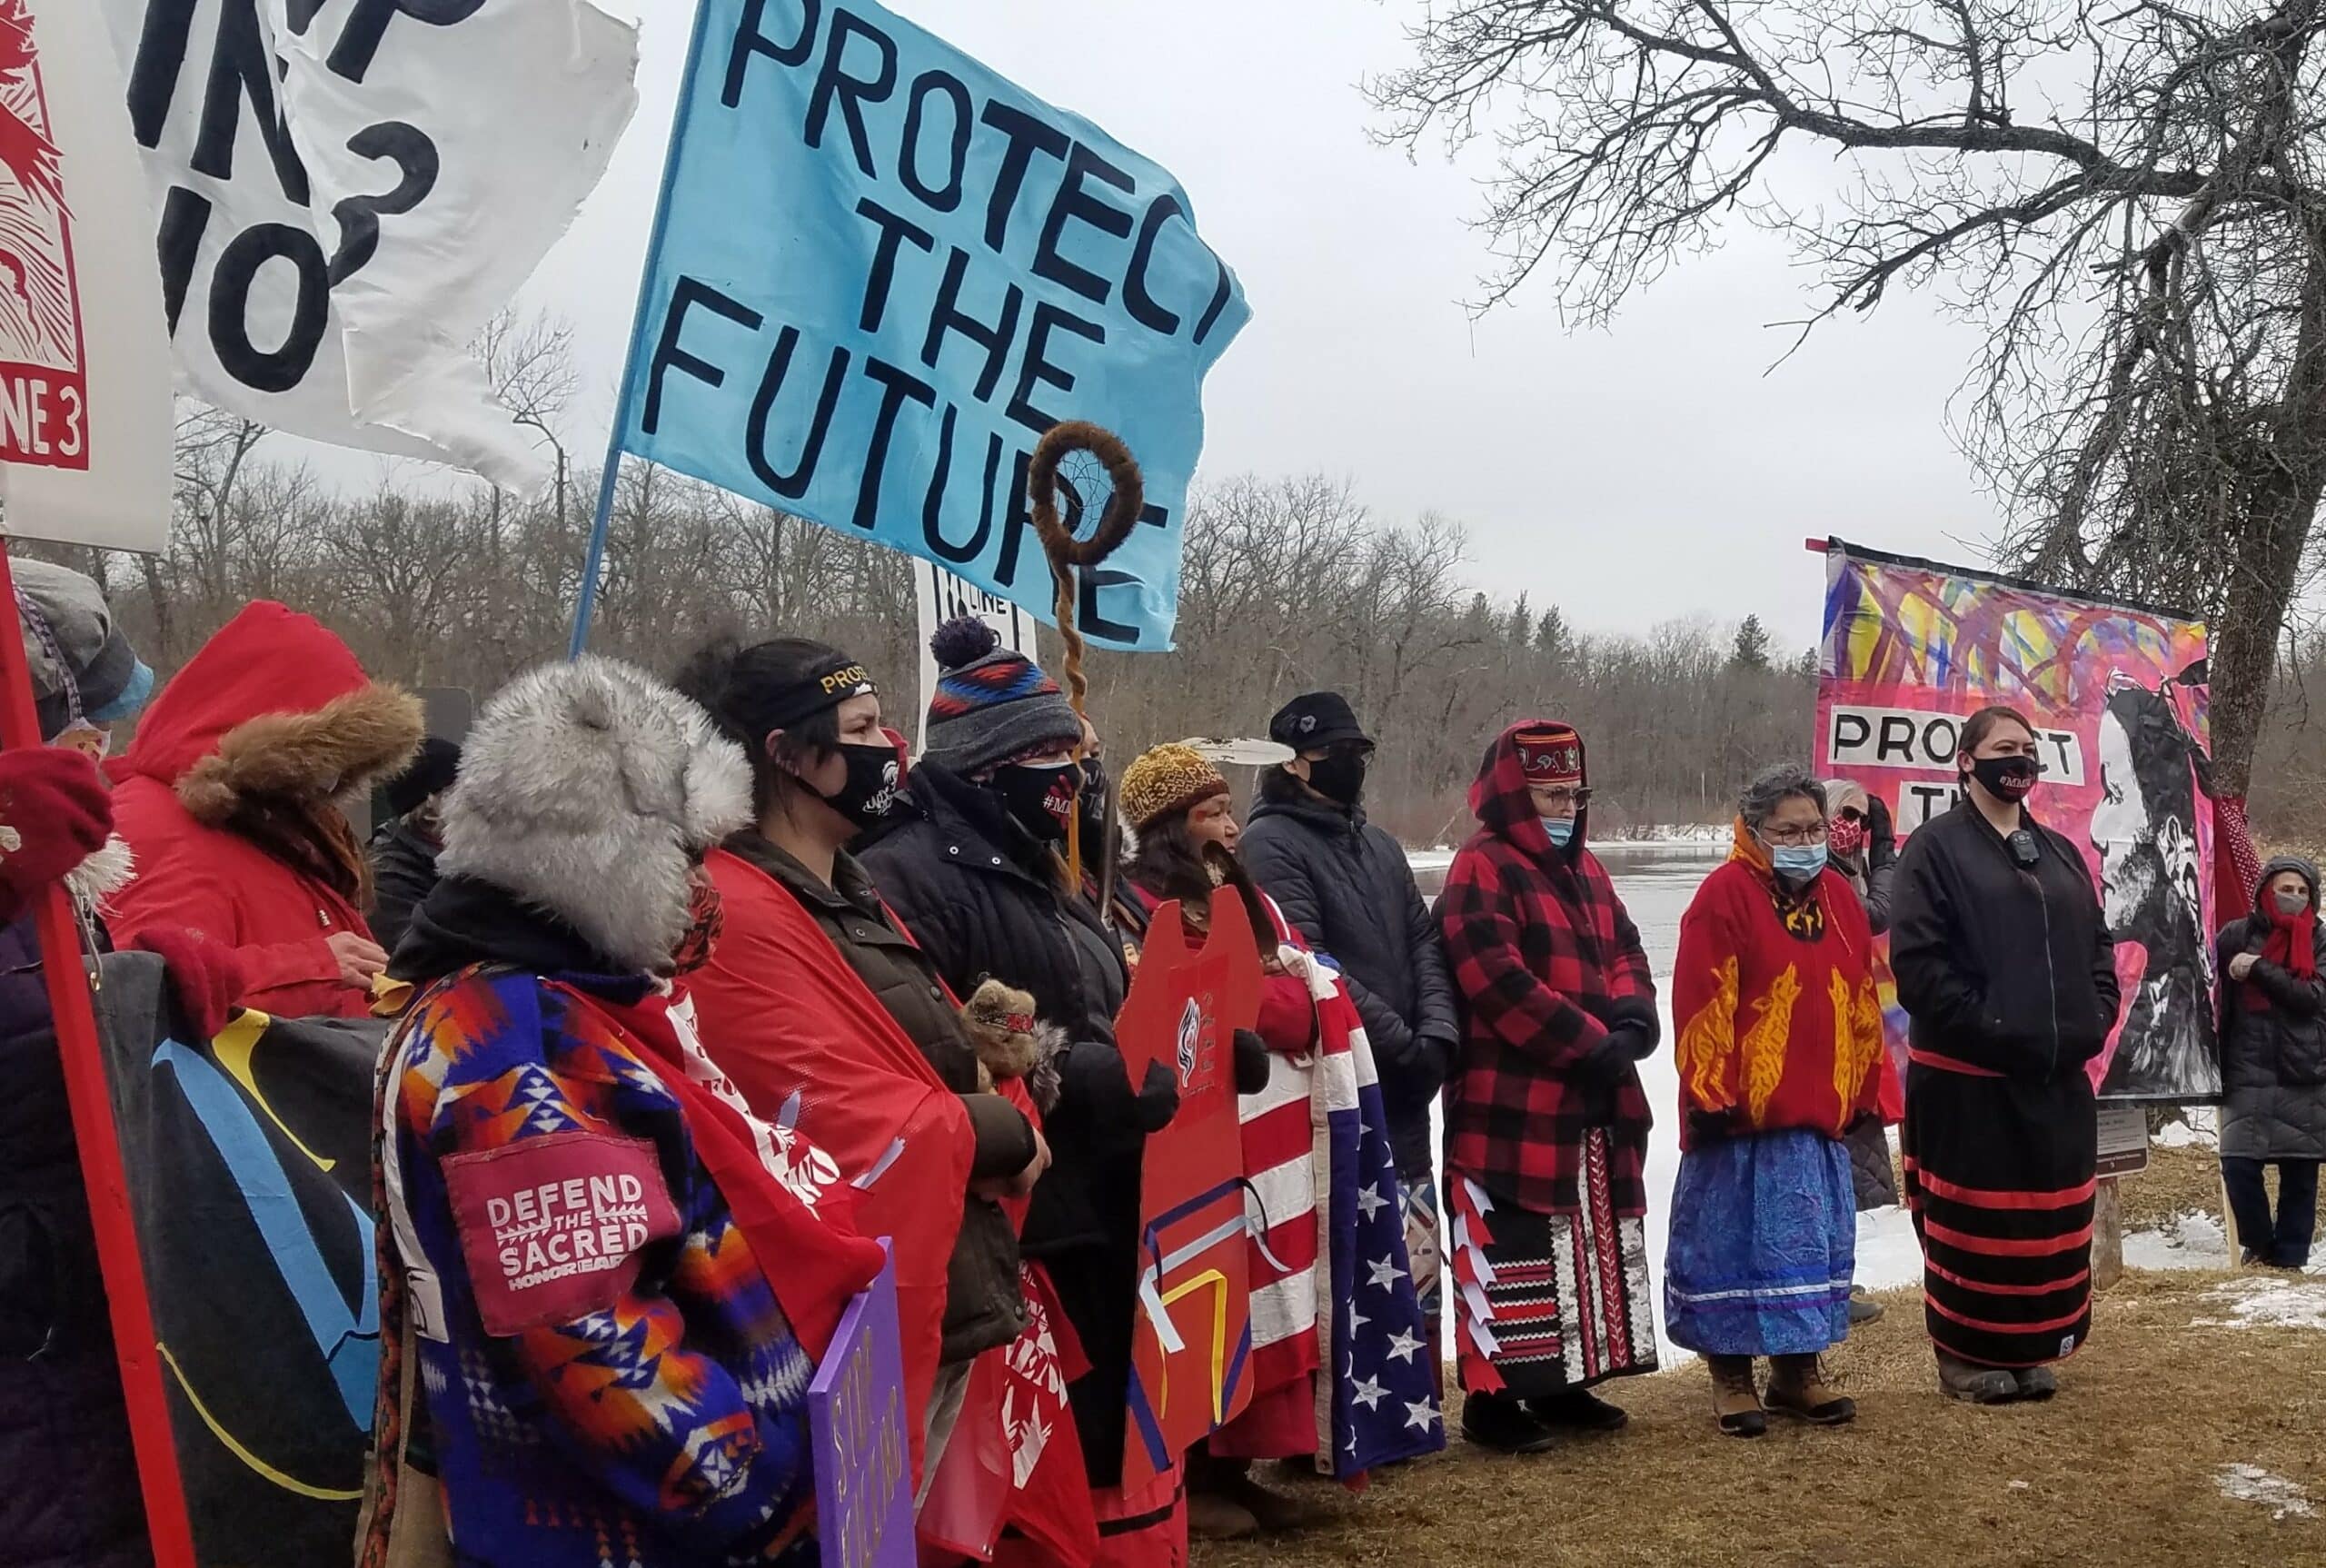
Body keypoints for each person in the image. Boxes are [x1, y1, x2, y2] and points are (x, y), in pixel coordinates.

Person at [370, 656, 883, 1568]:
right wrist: (757, 1488)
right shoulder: (511, 1041)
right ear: (604, 858)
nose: (705, 886)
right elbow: (589, 1338)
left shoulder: (561, 1001)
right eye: (688, 855)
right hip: (634, 1538)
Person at [674, 636, 1048, 1492]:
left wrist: (1001, 1066)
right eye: (864, 727)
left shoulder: (846, 884)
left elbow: (909, 1050)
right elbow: (810, 1107)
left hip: (946, 1276)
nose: (892, 749)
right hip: (840, 1317)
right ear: (788, 756)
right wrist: (1001, 1131)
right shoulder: (731, 909)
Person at [858, 619, 1184, 1567]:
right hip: (1027, 1208)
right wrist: (1078, 1070)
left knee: (1101, 1426)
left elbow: (1094, 989)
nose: (1068, 777)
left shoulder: (1040, 862)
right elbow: (939, 1027)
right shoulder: (911, 873)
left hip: (1103, 1191)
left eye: (1072, 754)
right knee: (1031, 1461)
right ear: (984, 760)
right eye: (1044, 755)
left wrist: (1170, 1049)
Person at [3, 569, 240, 1568]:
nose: (94, 746)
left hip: (87, 1355)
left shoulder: (51, 863)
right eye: (73, 719)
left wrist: (142, 983)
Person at [1438, 720, 1661, 1453]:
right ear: (1514, 794)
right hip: (1514, 1100)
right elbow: (1496, 979)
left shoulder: (1588, 868)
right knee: (1509, 1247)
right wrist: (1588, 1041)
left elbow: (1627, 947)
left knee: (1579, 1244)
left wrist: (1632, 1021)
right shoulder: (1482, 866)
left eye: (1574, 793)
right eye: (1550, 794)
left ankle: (1566, 1385)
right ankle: (1493, 1400)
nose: (1565, 807)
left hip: (1591, 1096)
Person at [1889, 704, 2118, 1404]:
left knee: (2045, 1218)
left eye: (2028, 749)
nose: (2019, 760)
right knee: (1976, 1220)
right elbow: (1920, 966)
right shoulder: (1933, 849)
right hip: (1970, 1078)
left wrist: (2095, 1014)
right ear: (1966, 761)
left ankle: (2028, 1347)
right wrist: (1993, 1027)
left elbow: (2097, 947)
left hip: (2054, 1078)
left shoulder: (2059, 852)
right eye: (2004, 748)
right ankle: (1964, 1355)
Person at [1118, 744, 1317, 1536]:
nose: (1232, 829)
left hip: (1255, 1133)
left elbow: (1292, 1000)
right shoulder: (1134, 906)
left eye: (1231, 811)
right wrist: (1264, 1003)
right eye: (1210, 816)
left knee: (1244, 1292)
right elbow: (1190, 1008)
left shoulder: (1242, 898)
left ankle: (1234, 1466)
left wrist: (1272, 1002)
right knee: (1188, 1291)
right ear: (1168, 829)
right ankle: (1189, 1474)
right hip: (1184, 1135)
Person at [1239, 692, 1460, 1386]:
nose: (1352, 766)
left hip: (1407, 1079)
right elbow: (1310, 961)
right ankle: (1356, 1409)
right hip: (1341, 1079)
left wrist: (1437, 1033)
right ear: (1295, 764)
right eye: (1337, 756)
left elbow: (1422, 938)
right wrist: (1397, 1040)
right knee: (1352, 1248)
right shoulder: (1269, 845)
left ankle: (1415, 1398)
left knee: (1414, 1245)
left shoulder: (1380, 842)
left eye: (1359, 754)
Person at [1667, 765, 1886, 1436]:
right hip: (1742, 1119)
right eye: (1788, 830)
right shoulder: (1723, 896)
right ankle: (1730, 1376)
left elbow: (1862, 997)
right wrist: (1710, 1091)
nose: (1805, 840)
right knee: (1732, 1245)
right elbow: (1702, 999)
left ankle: (1798, 1371)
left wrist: (1867, 1087)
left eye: (1815, 829)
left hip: (1815, 1113)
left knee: (1809, 1246)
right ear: (1755, 832)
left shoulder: (1841, 901)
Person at [108, 601, 422, 1017]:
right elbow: (142, 995)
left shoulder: (269, 823)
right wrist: (315, 968)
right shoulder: (169, 829)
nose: (329, 781)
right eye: (323, 758)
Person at [2091, 676, 2218, 1097]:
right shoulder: (2153, 1023)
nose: (2096, 830)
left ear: (2169, 841)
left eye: (2113, 793)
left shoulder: (2178, 1047)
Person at [2215, 857, 2326, 1270]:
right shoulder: (2236, 935)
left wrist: (2258, 968)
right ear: (2265, 890)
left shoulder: (2320, 940)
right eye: (2285, 888)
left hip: (2304, 1068)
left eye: (2302, 891)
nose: (2294, 897)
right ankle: (2260, 1249)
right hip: (2246, 1066)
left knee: (2301, 1172)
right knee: (2239, 1165)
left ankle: (2290, 1261)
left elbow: (2312, 997)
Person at [1824, 779, 1904, 1322]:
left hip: (1853, 1031)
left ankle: (1838, 1280)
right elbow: (1876, 912)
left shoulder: (1848, 870)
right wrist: (1885, 850)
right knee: (1833, 1165)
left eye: (1860, 816)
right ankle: (1829, 1283)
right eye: (1843, 813)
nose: (1850, 824)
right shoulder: (1824, 875)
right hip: (1827, 1038)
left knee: (1848, 1166)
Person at [367, 735, 458, 956]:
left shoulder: (473, 849)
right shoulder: (387, 875)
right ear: (430, 810)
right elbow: (417, 955)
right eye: (464, 792)